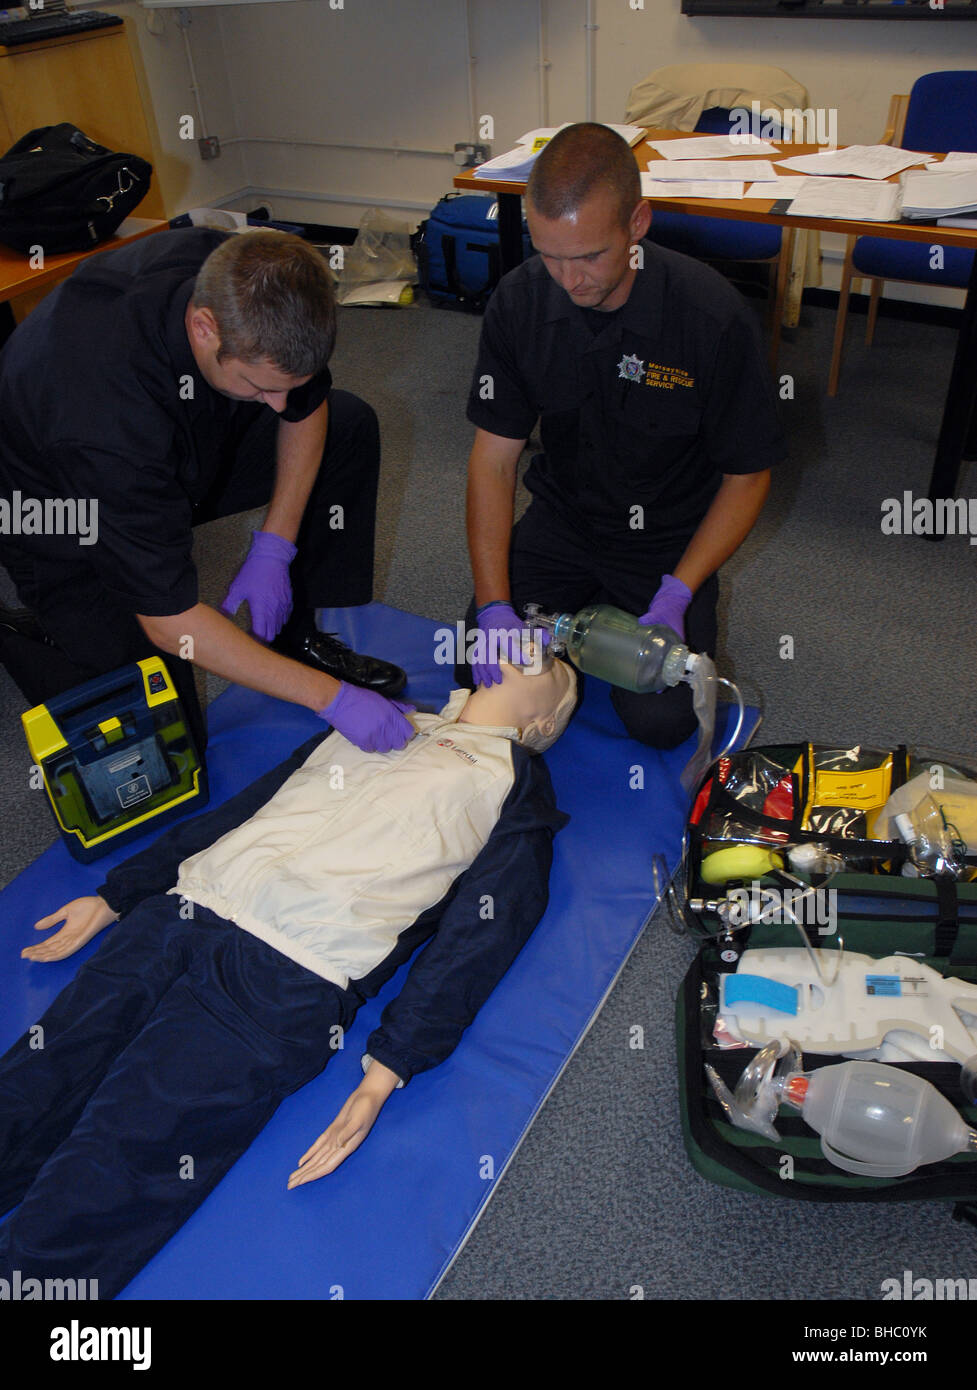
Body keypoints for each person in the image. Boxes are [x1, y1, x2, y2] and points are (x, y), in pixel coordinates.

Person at [0, 653, 575, 1300]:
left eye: (550, 663)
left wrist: (389, 1067)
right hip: (181, 913)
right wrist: (120, 894)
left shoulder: (514, 783)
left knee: (124, 1147)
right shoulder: (375, 718)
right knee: (37, 1074)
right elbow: (245, 809)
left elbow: (482, 937)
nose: (532, 648)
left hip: (287, 973)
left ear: (543, 720)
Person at [0, 225, 412, 757]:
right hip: (60, 512)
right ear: (203, 328)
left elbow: (306, 408)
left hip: (178, 452)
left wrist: (275, 547)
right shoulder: (103, 416)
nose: (281, 405)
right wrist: (331, 700)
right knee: (168, 750)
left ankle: (295, 638)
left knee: (347, 427)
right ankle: (36, 630)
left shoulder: (249, 279)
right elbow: (170, 623)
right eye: (263, 387)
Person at [458, 122, 785, 747]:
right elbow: (492, 462)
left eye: (588, 257)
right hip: (565, 520)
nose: (567, 279)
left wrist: (679, 590)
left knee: (662, 722)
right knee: (479, 671)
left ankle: (600, 631)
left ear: (638, 224)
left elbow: (749, 476)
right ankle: (570, 634)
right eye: (549, 254)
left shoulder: (711, 318)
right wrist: (495, 604)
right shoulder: (519, 303)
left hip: (664, 541)